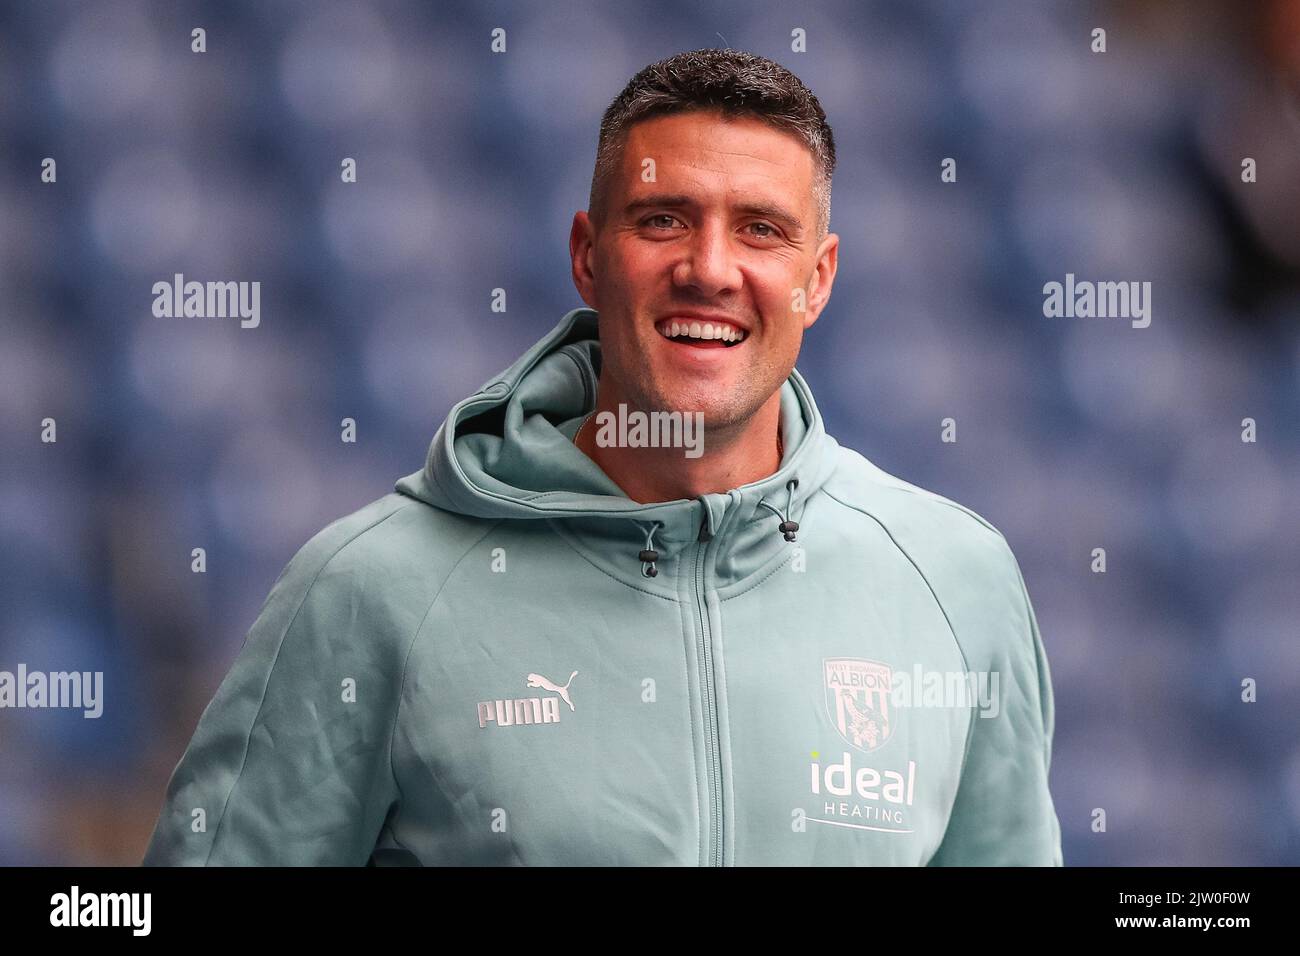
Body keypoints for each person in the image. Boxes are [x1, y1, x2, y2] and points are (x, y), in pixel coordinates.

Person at [143, 48, 1063, 866]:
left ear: (816, 278)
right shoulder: (371, 590)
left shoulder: (956, 582)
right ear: (589, 256)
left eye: (761, 229)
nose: (710, 268)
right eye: (663, 219)